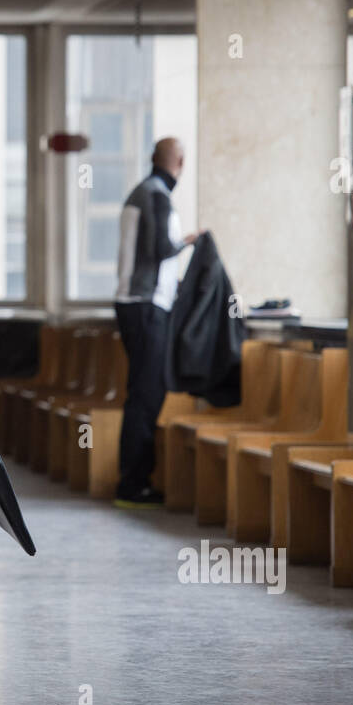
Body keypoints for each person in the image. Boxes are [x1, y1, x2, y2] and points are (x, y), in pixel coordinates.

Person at [112, 137, 204, 508]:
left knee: (143, 392)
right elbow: (160, 249)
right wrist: (191, 241)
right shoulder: (156, 194)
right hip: (146, 306)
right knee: (147, 395)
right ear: (179, 161)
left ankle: (133, 482)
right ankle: (133, 485)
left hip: (137, 304)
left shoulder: (142, 190)